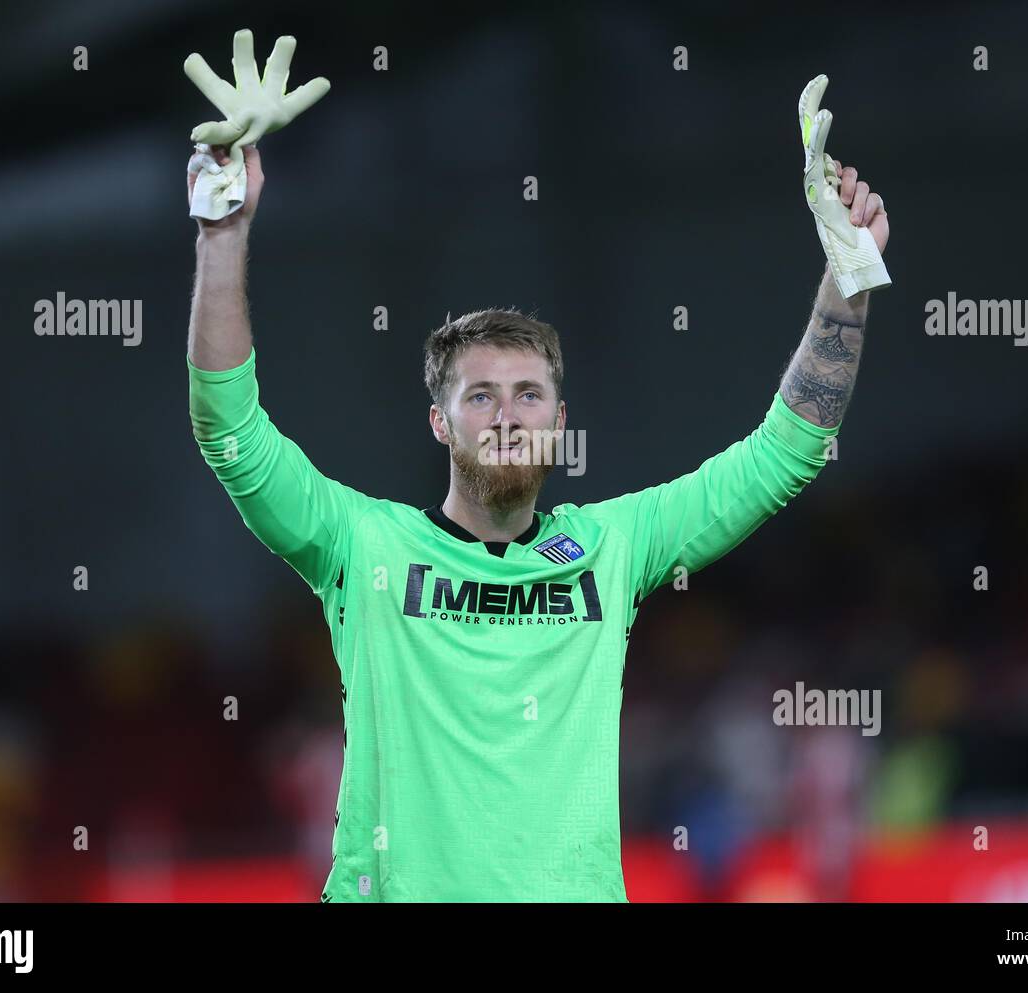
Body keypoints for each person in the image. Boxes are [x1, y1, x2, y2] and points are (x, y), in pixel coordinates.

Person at [185, 58, 889, 901]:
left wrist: (848, 282)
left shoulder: (610, 547)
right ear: (441, 423)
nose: (507, 415)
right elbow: (229, 430)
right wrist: (222, 235)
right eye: (479, 396)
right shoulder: (362, 544)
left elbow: (787, 450)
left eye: (528, 395)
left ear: (559, 420)